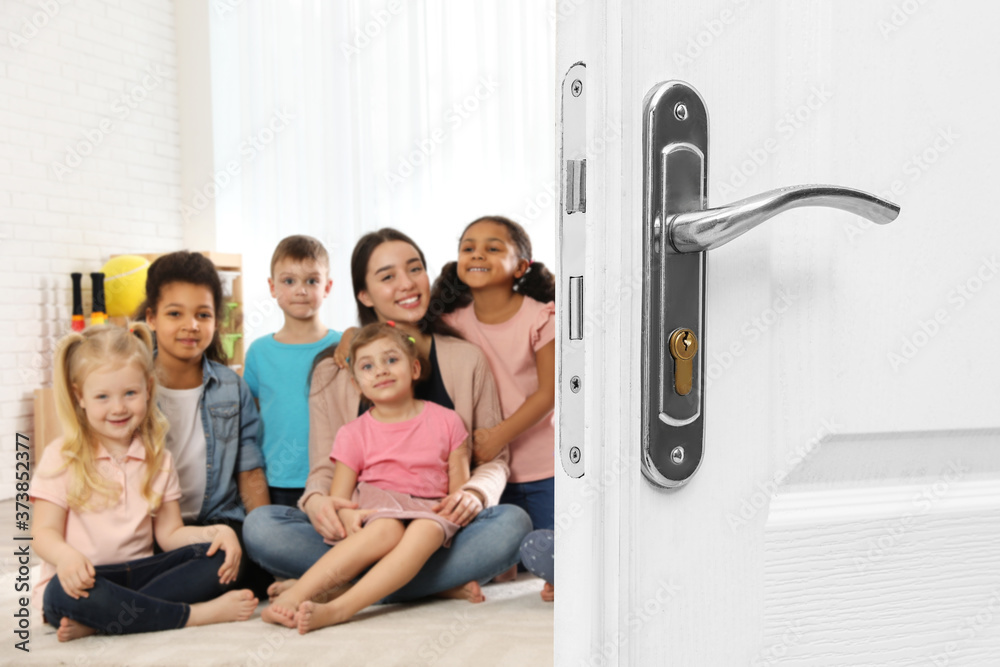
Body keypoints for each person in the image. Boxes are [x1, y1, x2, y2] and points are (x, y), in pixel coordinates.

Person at [244, 228, 532, 603]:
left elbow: (494, 459)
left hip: (439, 526)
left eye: (415, 269)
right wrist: (319, 503)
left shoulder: (466, 358)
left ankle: (343, 584)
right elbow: (324, 468)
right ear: (363, 294)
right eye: (387, 276)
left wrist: (476, 493)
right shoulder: (333, 370)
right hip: (364, 526)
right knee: (262, 527)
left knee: (512, 524)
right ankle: (430, 586)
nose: (406, 284)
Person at [30, 324, 257, 642]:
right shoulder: (63, 456)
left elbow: (170, 534)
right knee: (58, 595)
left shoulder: (158, 458)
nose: (118, 407)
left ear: (149, 388)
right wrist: (66, 557)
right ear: (79, 396)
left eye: (130, 393)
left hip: (142, 575)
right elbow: (43, 533)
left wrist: (217, 532)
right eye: (102, 397)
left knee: (220, 557)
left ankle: (105, 620)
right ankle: (193, 616)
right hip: (84, 582)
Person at [263, 322, 473, 632]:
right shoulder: (352, 433)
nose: (381, 371)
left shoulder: (448, 421)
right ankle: (298, 594)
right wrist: (346, 517)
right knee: (386, 530)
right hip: (378, 512)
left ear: (415, 368)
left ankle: (339, 606)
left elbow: (459, 490)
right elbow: (340, 499)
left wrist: (458, 509)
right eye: (367, 366)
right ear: (357, 384)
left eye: (391, 360)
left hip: (431, 514)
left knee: (427, 530)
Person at [431, 215, 556, 601]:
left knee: (546, 547)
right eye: (467, 247)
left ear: (521, 265)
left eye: (492, 247)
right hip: (485, 474)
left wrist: (498, 435)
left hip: (542, 470)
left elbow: (550, 393)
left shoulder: (541, 316)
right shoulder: (450, 323)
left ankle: (558, 569)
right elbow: (394, 332)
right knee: (495, 566)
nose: (477, 254)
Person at [138, 251, 271, 596]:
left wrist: (264, 536)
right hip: (150, 527)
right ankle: (142, 598)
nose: (191, 325)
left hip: (217, 525)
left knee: (224, 564)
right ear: (151, 317)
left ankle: (131, 602)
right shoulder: (133, 387)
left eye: (203, 314)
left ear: (215, 321)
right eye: (175, 313)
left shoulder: (231, 387)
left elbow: (250, 470)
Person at [244, 235, 341, 507]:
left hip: (336, 477)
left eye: (312, 281)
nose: (301, 290)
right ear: (272, 287)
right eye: (289, 281)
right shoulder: (259, 352)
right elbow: (252, 417)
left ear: (327, 287)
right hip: (278, 479)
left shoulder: (343, 346)